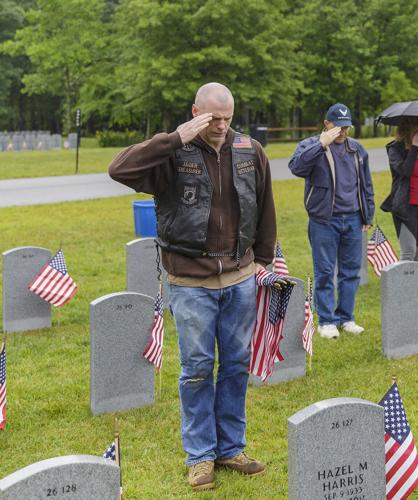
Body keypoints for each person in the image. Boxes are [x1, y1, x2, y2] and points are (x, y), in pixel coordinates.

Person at [109, 83, 275, 491]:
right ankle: (200, 457)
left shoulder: (249, 151)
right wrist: (174, 138)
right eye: (212, 118)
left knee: (236, 365)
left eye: (227, 118)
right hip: (189, 280)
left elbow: (265, 203)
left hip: (239, 278)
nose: (220, 126)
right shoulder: (172, 153)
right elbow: (119, 169)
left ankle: (231, 447)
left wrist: (264, 261)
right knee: (198, 369)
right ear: (196, 112)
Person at [288, 103, 375, 339]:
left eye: (346, 128)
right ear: (327, 124)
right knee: (325, 271)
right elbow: (296, 167)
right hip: (324, 220)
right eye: (338, 127)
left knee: (350, 272)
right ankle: (326, 321)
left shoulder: (357, 150)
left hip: (354, 218)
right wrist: (321, 144)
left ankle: (346, 317)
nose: (343, 132)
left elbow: (366, 185)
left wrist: (368, 214)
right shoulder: (311, 146)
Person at [380, 117, 418, 261]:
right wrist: (414, 148)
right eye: (416, 131)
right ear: (407, 131)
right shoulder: (395, 149)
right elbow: (404, 172)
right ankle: (404, 283)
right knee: (409, 251)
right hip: (405, 207)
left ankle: (417, 284)